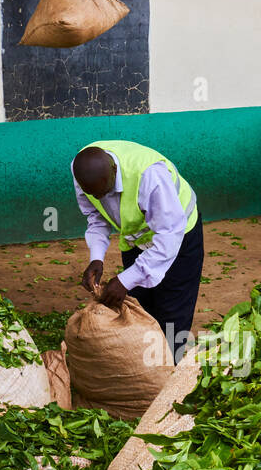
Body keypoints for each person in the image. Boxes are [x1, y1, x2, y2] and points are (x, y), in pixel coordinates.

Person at [71, 140, 203, 362]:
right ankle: (144, 370)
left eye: (106, 191)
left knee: (172, 314)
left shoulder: (151, 176)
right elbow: (95, 217)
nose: (102, 199)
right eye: (95, 195)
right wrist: (96, 258)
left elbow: (168, 237)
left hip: (178, 237)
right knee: (141, 309)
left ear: (114, 170)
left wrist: (125, 279)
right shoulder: (81, 172)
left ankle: (169, 375)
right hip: (136, 240)